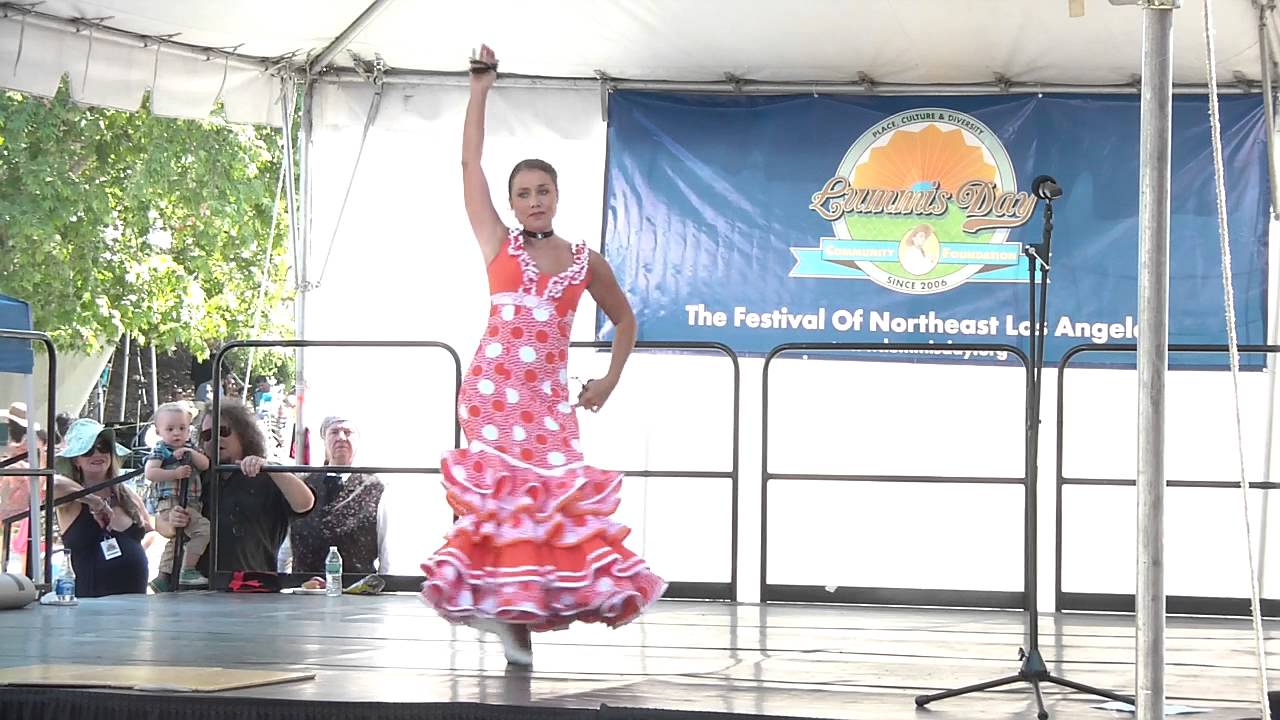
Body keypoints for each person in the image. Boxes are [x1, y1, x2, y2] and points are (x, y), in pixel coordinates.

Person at [419, 44, 667, 666]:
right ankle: (504, 620)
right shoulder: (497, 243)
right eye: (524, 192)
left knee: (548, 507)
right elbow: (470, 161)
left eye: (543, 190)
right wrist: (481, 88)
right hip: (493, 395)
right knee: (505, 501)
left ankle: (516, 620)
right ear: (511, 202)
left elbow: (626, 319)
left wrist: (608, 380)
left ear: (556, 196)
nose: (534, 200)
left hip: (549, 403)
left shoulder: (584, 260)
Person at [158, 400, 313, 592]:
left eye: (223, 431)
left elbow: (305, 504)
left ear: (244, 434)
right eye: (207, 435)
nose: (214, 439)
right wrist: (172, 521)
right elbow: (160, 524)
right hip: (196, 591)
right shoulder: (194, 475)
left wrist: (269, 468)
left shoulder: (268, 475)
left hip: (252, 590)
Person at [51, 419, 151, 598]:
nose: (97, 453)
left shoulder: (126, 494)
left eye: (103, 446)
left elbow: (151, 530)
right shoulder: (71, 499)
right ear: (76, 461)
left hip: (135, 600)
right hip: (92, 604)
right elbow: (52, 483)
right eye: (88, 450)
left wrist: (131, 554)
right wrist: (94, 502)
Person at [290, 416, 391, 576]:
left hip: (356, 592)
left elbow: (387, 549)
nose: (341, 437)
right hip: (306, 589)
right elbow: (286, 547)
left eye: (348, 432)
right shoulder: (304, 485)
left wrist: (387, 585)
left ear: (358, 440)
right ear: (324, 440)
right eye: (334, 432)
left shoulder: (376, 488)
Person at [144, 402, 211, 587]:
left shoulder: (191, 448)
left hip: (191, 501)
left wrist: (190, 453)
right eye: (170, 429)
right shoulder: (161, 450)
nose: (176, 433)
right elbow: (150, 472)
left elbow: (205, 464)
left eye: (182, 428)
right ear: (158, 432)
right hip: (171, 501)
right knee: (204, 530)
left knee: (177, 539)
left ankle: (163, 576)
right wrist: (174, 473)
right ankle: (188, 570)